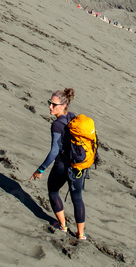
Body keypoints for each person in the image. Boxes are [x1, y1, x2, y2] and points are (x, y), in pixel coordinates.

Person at [31, 88, 87, 240]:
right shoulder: (72, 117)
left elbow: (54, 151)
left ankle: (62, 226)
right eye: (49, 103)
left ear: (63, 105)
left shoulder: (56, 125)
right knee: (77, 198)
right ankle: (81, 235)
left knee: (53, 191)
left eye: (53, 104)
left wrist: (40, 169)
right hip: (78, 167)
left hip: (62, 165)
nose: (50, 107)